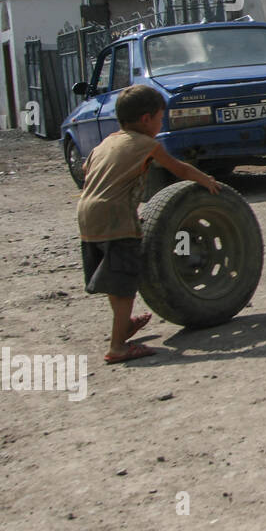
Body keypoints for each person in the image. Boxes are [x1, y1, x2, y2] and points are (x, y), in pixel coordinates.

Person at [78, 85, 220, 363]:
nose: (160, 124)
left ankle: (125, 326)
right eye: (160, 118)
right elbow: (177, 168)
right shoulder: (146, 144)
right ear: (146, 119)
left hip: (87, 216)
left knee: (112, 277)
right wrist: (206, 179)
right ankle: (118, 346)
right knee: (124, 284)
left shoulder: (105, 143)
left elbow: (88, 171)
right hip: (114, 218)